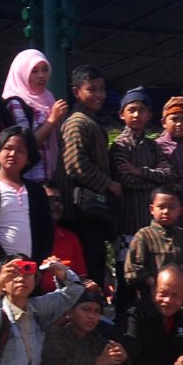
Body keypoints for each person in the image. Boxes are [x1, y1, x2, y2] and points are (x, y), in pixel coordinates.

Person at [0, 127, 53, 293]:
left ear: (28, 159)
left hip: (29, 271)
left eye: (20, 151)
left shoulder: (36, 192)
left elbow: (46, 231)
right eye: (8, 148)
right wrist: (3, 261)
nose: (13, 154)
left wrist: (35, 264)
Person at [59, 65, 119, 286]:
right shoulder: (77, 122)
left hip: (88, 214)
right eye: (91, 89)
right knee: (89, 271)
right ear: (77, 91)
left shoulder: (90, 121)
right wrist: (108, 184)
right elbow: (75, 164)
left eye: (102, 89)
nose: (99, 95)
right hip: (80, 213)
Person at [110, 88, 175, 239]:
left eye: (141, 110)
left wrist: (140, 171)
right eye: (131, 110)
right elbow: (127, 181)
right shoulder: (120, 145)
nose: (136, 115)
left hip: (152, 223)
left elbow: (168, 174)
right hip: (127, 221)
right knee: (127, 261)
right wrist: (155, 184)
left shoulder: (153, 146)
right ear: (122, 114)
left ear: (149, 115)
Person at [0, 48, 68, 184]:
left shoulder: (49, 99)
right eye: (34, 71)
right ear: (21, 73)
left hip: (51, 178)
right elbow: (26, 144)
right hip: (29, 179)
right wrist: (52, 119)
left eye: (44, 69)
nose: (41, 75)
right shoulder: (15, 102)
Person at [123, 186, 183, 306]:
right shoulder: (144, 235)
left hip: (180, 302)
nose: (166, 211)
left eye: (171, 207)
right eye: (161, 207)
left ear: (180, 210)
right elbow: (131, 270)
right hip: (151, 300)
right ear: (152, 209)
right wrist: (155, 283)